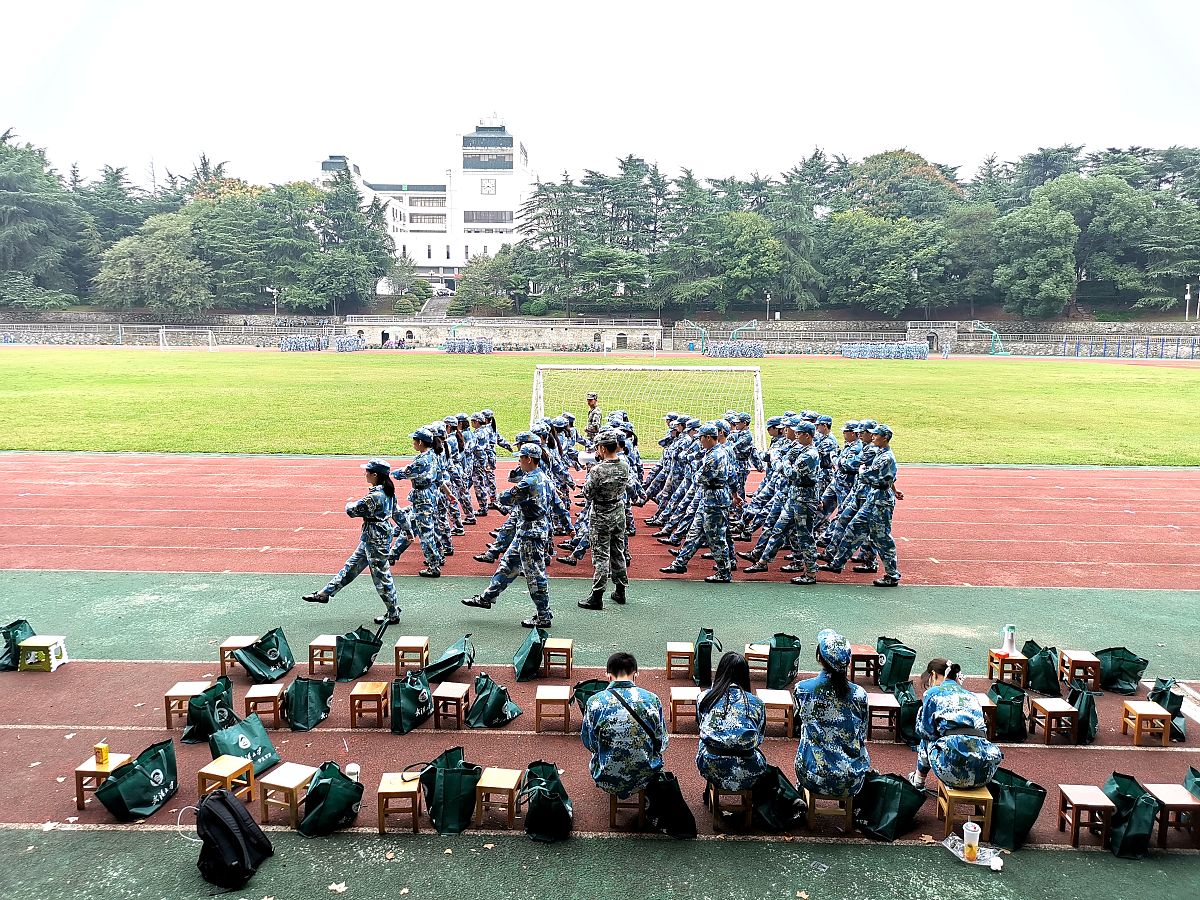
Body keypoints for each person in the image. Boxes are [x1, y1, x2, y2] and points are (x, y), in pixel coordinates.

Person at [461, 443, 554, 628]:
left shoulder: (529, 481)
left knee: (535, 575)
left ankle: (544, 615)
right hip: (527, 530)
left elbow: (507, 497)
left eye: (521, 458)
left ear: (528, 459)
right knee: (507, 564)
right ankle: (487, 597)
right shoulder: (543, 477)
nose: (519, 462)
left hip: (530, 533)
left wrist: (502, 496)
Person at [302, 459, 402, 626]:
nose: (365, 474)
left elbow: (353, 510)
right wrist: (407, 529)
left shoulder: (375, 495)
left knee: (382, 576)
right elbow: (397, 512)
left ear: (375, 474)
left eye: (368, 471)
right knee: (351, 566)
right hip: (372, 537)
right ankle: (326, 593)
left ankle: (393, 613)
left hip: (375, 539)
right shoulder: (387, 491)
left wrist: (349, 504)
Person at [793, 629, 870, 799]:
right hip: (851, 779)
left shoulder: (803, 689)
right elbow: (862, 733)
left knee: (807, 731)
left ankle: (802, 793)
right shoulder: (860, 695)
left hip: (813, 776)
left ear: (819, 658)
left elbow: (799, 719)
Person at [581, 652, 667, 799]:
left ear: (608, 675)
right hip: (645, 776)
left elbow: (589, 742)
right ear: (636, 674)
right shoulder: (652, 699)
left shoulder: (594, 702)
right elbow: (662, 742)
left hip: (607, 777)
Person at [909, 658, 1002, 790]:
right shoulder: (972, 696)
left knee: (926, 740)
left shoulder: (933, 693)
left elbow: (924, 731)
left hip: (950, 771)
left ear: (933, 675)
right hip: (984, 772)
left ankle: (918, 780)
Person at [660, 423, 733, 582]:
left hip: (715, 499)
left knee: (716, 536)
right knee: (695, 531)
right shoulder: (715, 451)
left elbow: (700, 478)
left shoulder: (714, 456)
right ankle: (680, 562)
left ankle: (724, 571)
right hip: (710, 497)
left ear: (708, 437)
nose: (699, 441)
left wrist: (696, 471)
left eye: (701, 438)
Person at [695, 653, 768, 794]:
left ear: (720, 672)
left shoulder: (704, 697)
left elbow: (701, 724)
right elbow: (759, 739)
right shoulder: (757, 703)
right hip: (748, 769)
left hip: (711, 766)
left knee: (703, 740)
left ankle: (711, 788)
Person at [578, 430, 631, 610]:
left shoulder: (598, 470)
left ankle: (597, 595)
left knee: (601, 555)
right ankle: (620, 590)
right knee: (618, 551)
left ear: (601, 448)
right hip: (618, 511)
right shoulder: (624, 466)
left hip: (601, 514)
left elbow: (587, 493)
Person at [391, 428, 443, 577]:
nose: (413, 443)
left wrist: (389, 473)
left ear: (420, 442)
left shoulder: (422, 460)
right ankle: (393, 555)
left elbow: (406, 472)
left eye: (414, 441)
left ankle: (434, 566)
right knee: (411, 525)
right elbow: (439, 476)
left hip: (423, 497)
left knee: (426, 534)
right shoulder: (433, 455)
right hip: (429, 494)